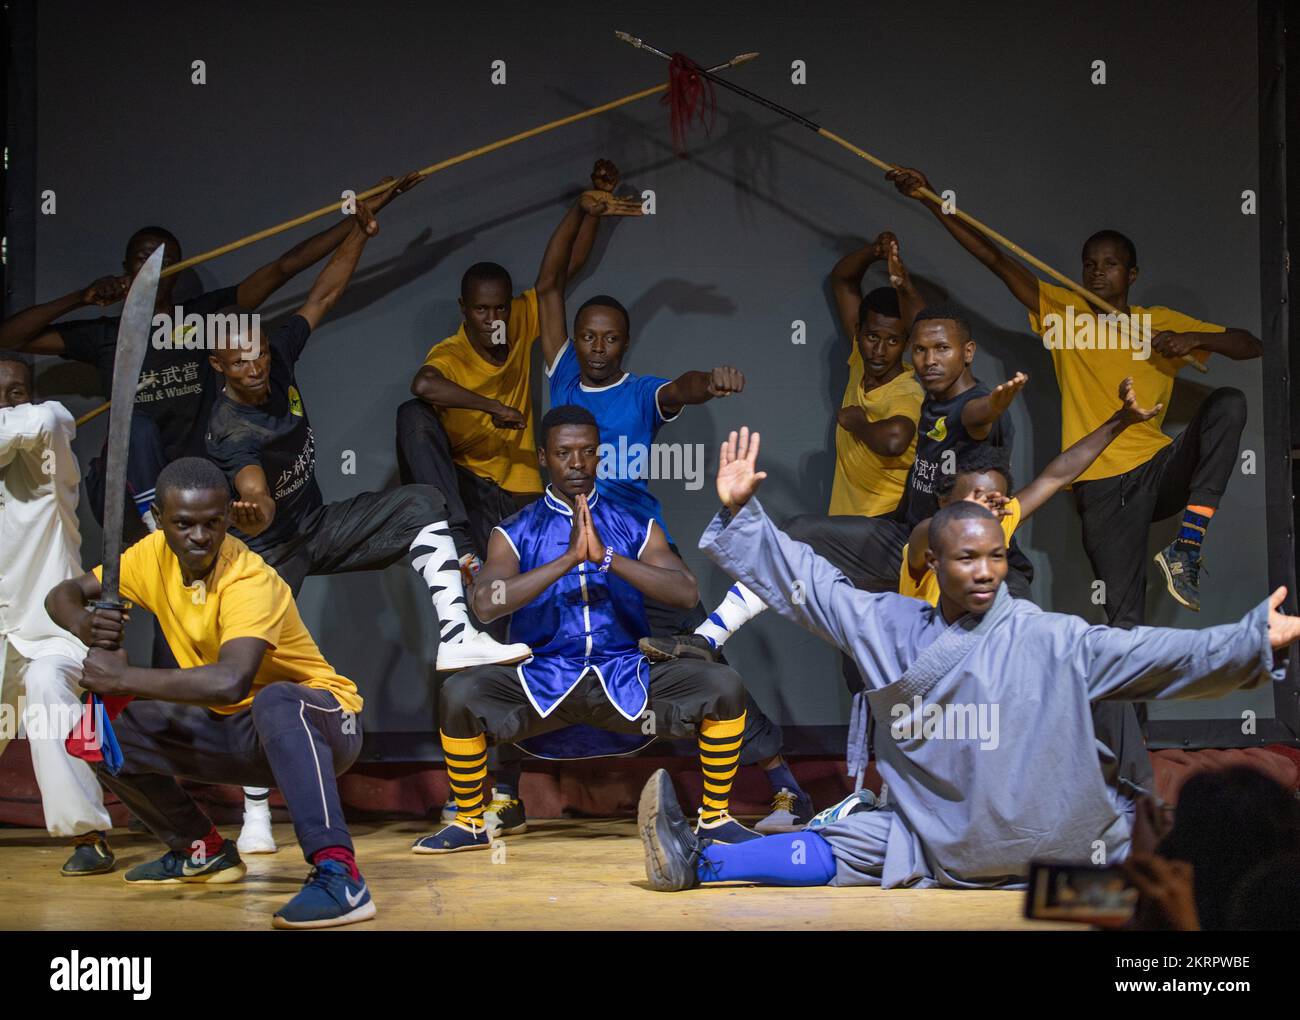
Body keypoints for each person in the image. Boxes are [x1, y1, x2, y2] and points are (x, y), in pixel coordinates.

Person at [636, 427, 1295, 891]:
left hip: (972, 844)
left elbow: (1151, 654)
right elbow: (815, 583)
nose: (986, 571)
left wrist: (1246, 637)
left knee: (866, 843)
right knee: (1127, 840)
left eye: (997, 556)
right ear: (932, 562)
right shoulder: (900, 623)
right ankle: (698, 862)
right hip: (1044, 848)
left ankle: (706, 861)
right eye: (968, 558)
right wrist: (744, 509)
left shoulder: (1026, 635)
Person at [537, 197, 810, 832]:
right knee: (518, 643)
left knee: (701, 656)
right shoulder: (561, 382)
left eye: (610, 337)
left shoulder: (640, 392)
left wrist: (705, 384)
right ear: (574, 341)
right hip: (563, 545)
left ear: (626, 343)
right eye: (587, 336)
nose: (597, 346)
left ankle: (784, 785)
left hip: (636, 551)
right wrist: (584, 212)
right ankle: (497, 795)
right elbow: (548, 283)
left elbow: (677, 388)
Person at [886, 165, 1261, 620]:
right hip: (1100, 487)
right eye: (1090, 265)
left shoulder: (1157, 322)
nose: (1098, 273)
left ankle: (1187, 546)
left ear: (1132, 273)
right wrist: (928, 196)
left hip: (1158, 470)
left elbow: (1250, 345)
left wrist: (1194, 340)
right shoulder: (1066, 315)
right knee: (1124, 626)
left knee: (1228, 403)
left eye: (1110, 265)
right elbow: (995, 259)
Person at [395, 162, 641, 829]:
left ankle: (514, 782)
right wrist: (490, 408)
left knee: (519, 634)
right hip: (474, 499)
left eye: (501, 309)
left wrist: (585, 209)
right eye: (482, 310)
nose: (495, 321)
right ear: (465, 312)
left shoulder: (525, 322)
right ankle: (449, 540)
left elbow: (557, 275)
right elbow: (423, 387)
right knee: (471, 630)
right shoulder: (451, 352)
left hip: (524, 499)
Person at [205, 176, 528, 673]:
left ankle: (458, 636)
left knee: (424, 502)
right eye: (240, 364)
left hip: (318, 526)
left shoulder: (277, 360)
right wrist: (257, 510)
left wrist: (362, 230)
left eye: (260, 355)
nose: (256, 370)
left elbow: (323, 295)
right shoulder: (231, 429)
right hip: (268, 548)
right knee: (246, 670)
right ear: (218, 367)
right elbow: (255, 488)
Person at [412, 406, 762, 854]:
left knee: (723, 683)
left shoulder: (635, 523)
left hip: (627, 678)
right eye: (563, 453)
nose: (576, 463)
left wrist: (608, 560)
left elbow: (686, 593)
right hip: (542, 682)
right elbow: (484, 603)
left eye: (587, 452)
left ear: (599, 456)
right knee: (460, 693)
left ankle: (714, 820)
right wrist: (568, 560)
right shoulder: (515, 530)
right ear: (544, 457)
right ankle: (470, 821)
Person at [44, 458, 374, 928]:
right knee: (99, 731)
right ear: (159, 519)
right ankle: (200, 850)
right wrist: (84, 622)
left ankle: (340, 875)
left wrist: (121, 678)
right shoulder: (149, 555)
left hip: (323, 721)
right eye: (184, 524)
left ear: (226, 519)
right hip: (241, 730)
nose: (200, 536)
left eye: (212, 524)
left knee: (276, 699)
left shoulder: (249, 578)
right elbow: (62, 593)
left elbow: (229, 681)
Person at [0, 179, 420, 535]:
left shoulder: (202, 320)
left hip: (201, 486)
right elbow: (12, 336)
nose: (153, 268)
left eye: (163, 261)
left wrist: (356, 222)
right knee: (138, 428)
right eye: (142, 260)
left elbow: (284, 268)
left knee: (189, 609)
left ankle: (170, 525)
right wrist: (82, 298)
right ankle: (154, 519)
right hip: (132, 493)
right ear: (126, 266)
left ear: (178, 269)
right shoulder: (108, 336)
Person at [0, 352, 117, 875]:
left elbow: (51, 417)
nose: (8, 405)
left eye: (16, 393)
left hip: (50, 634)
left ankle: (88, 834)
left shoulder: (48, 460)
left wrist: (28, 409)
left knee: (47, 684)